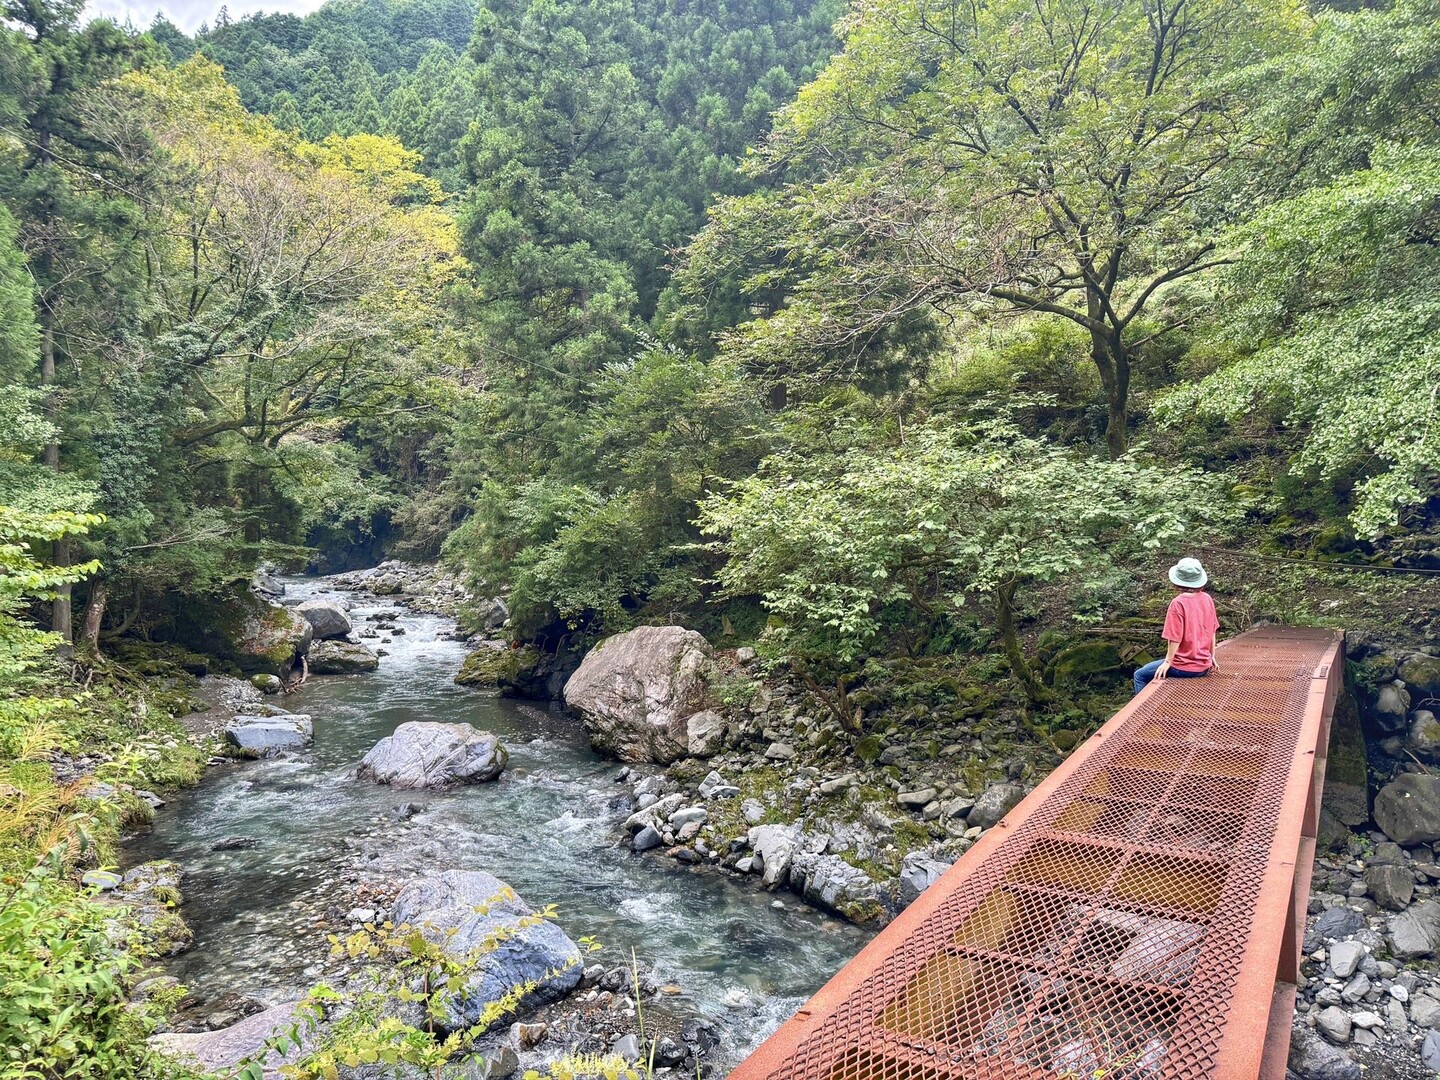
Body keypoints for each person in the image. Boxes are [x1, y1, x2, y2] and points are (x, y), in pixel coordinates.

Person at [1133, 557, 1220, 695]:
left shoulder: (1178, 603)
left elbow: (1175, 637)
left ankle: (1143, 713)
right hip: (1204, 666)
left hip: (1183, 667)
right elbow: (1212, 630)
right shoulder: (1207, 598)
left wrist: (1168, 662)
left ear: (1178, 582)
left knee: (1140, 675)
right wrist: (1211, 655)